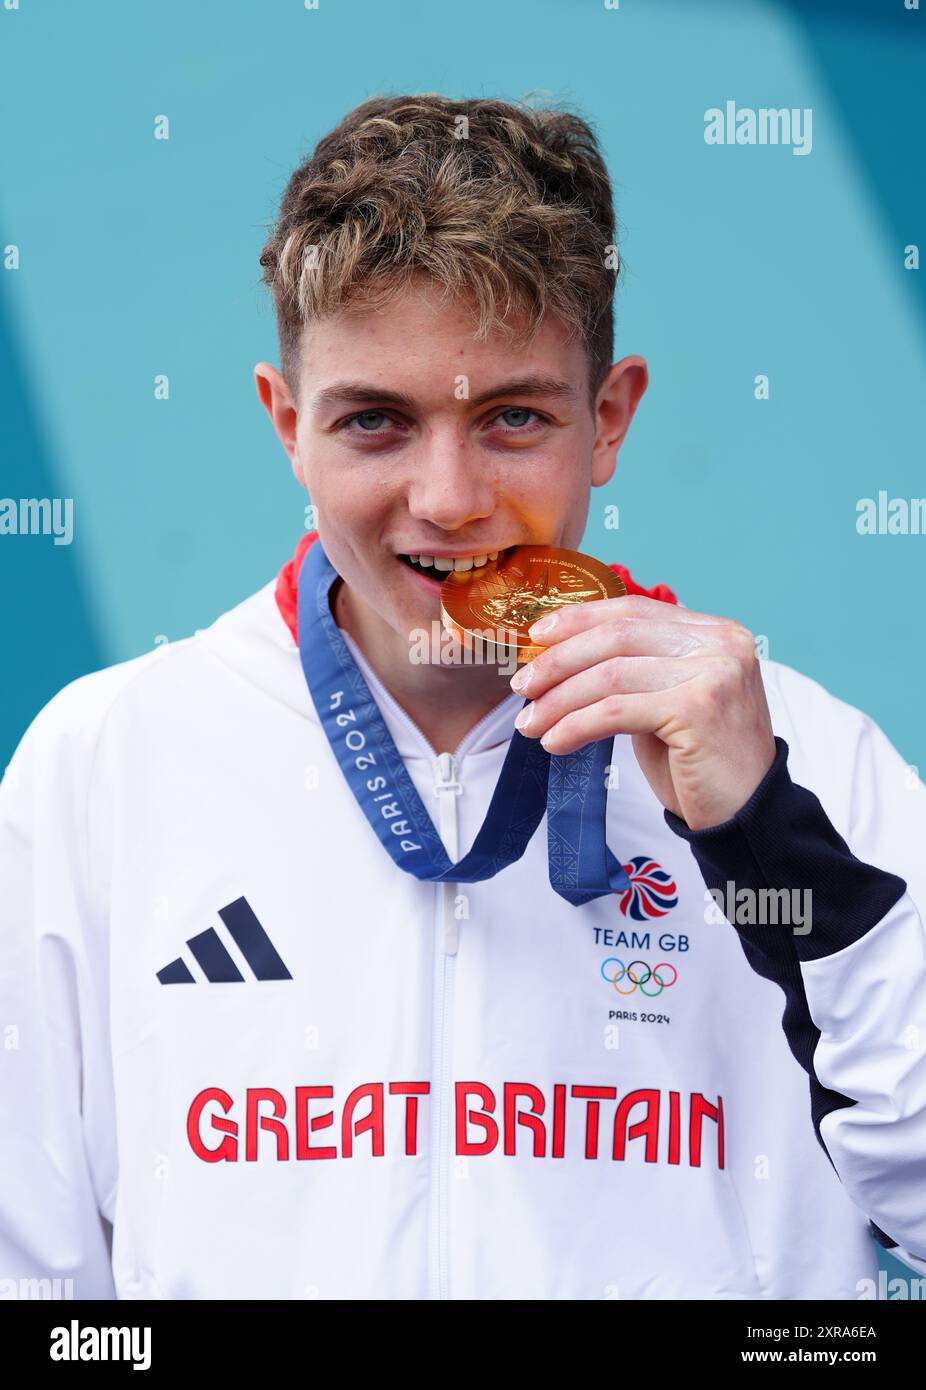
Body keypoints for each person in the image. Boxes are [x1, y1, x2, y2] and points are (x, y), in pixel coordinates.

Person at [1, 92, 924, 1302]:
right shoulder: (106, 759)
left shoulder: (805, 757)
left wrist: (764, 834)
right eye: (375, 421)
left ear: (607, 419)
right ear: (288, 425)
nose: (445, 497)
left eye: (511, 418)